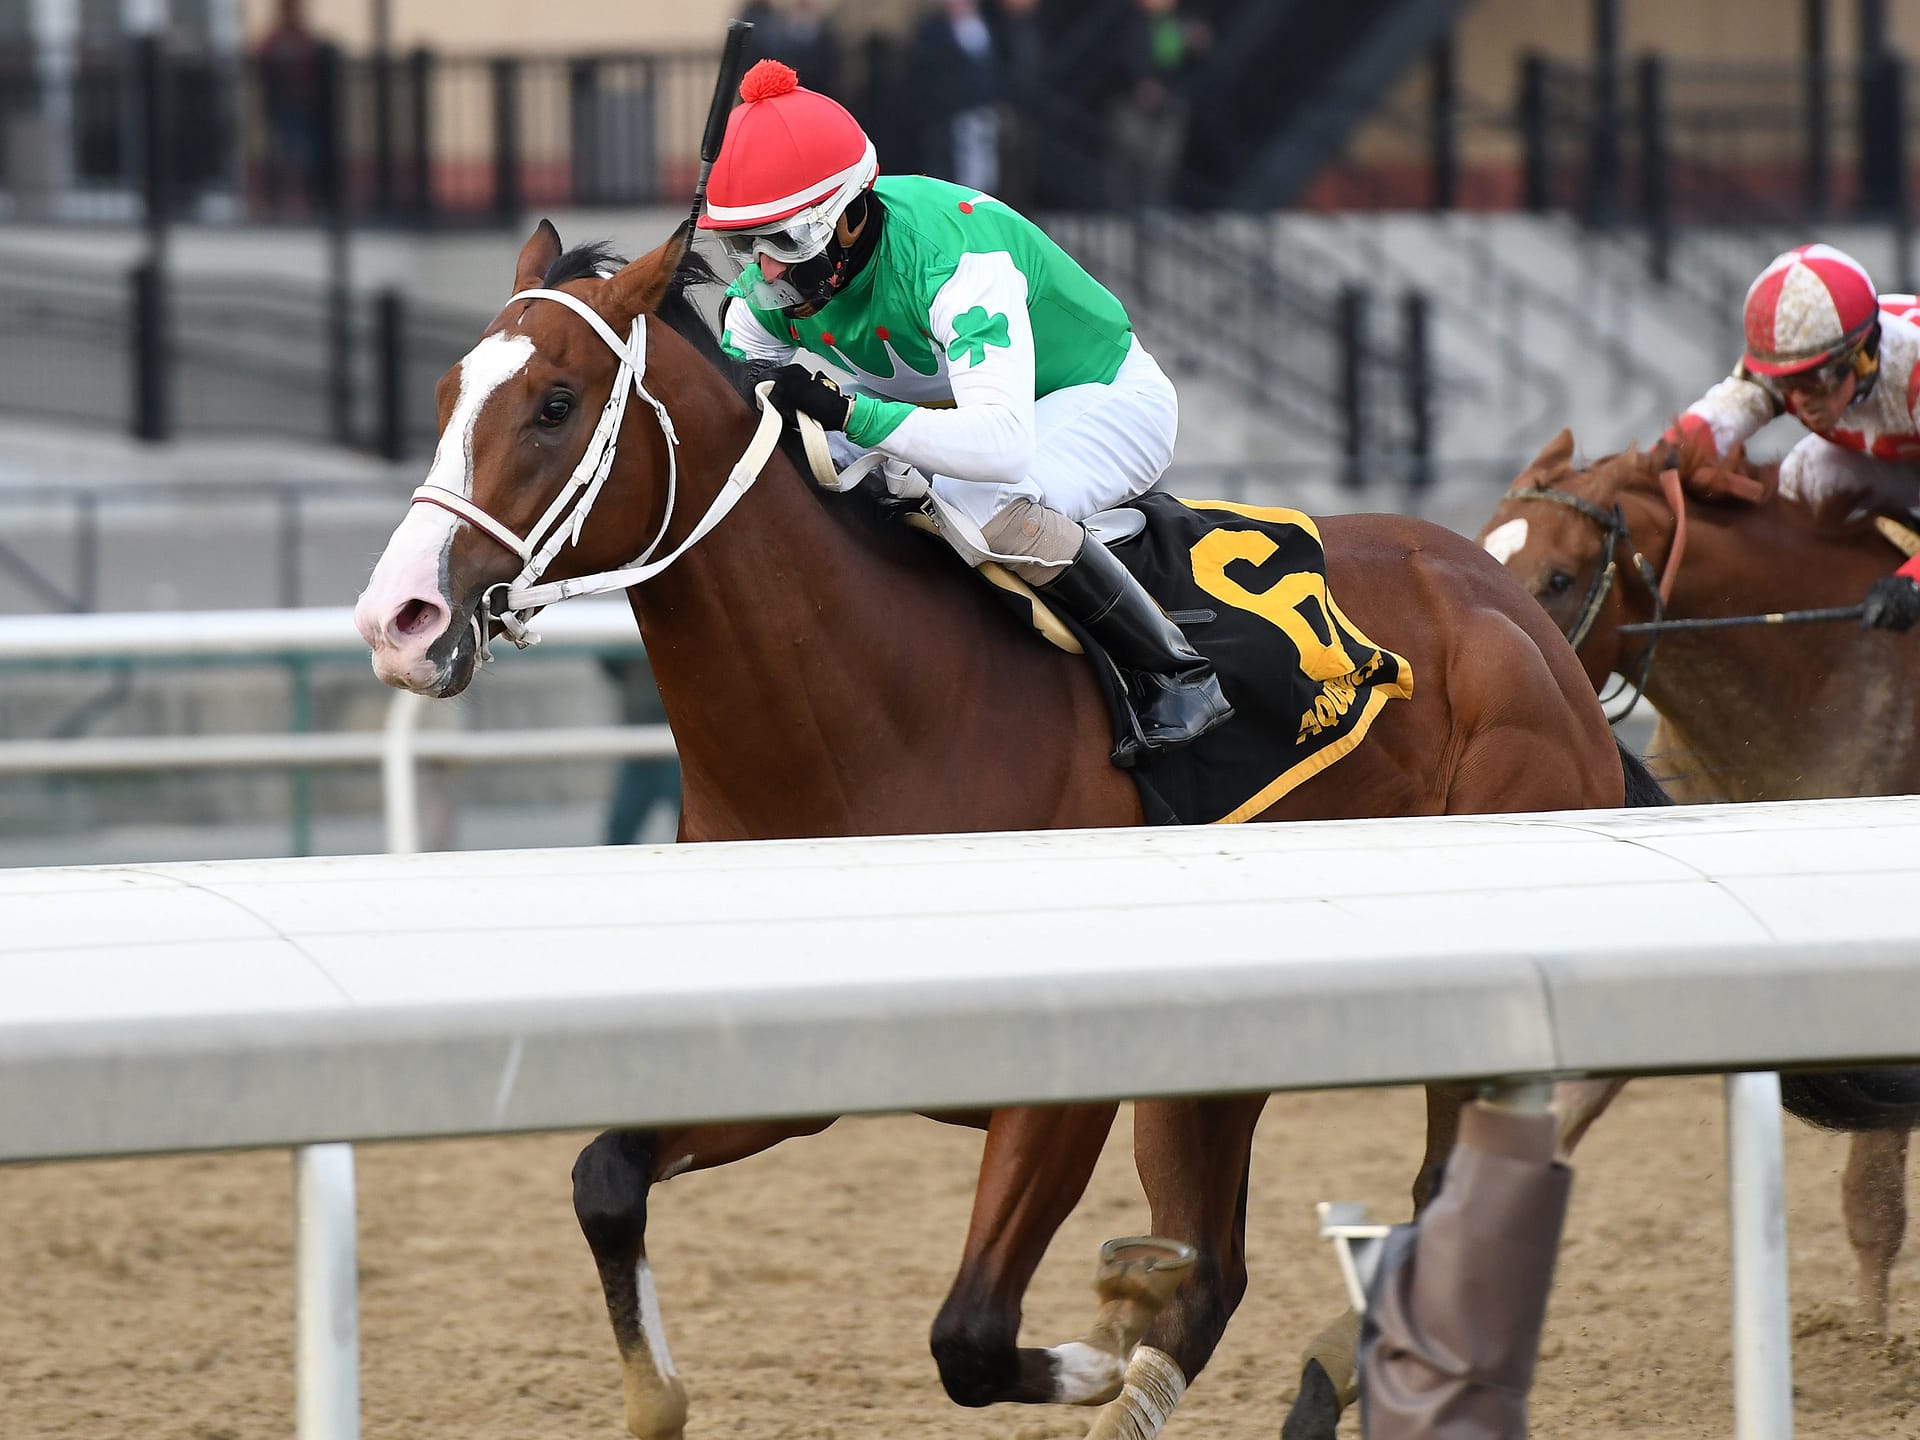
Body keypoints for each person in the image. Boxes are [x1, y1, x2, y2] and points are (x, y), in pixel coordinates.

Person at [697, 58, 1231, 761]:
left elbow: (1001, 445)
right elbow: (738, 408)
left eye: (784, 242)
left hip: (1101, 401)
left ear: (849, 215)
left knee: (973, 497)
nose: (764, 270)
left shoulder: (954, 260)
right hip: (959, 414)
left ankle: (1174, 671)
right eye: (745, 246)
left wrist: (848, 412)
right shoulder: (774, 286)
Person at [1665, 243, 1920, 631]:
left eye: (1812, 381)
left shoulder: (1912, 369)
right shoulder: (1797, 358)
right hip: (1901, 457)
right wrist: (1660, 460)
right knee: (1804, 476)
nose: (1799, 399)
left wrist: (1913, 583)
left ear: (1864, 354)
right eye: (1786, 383)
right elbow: (1720, 414)